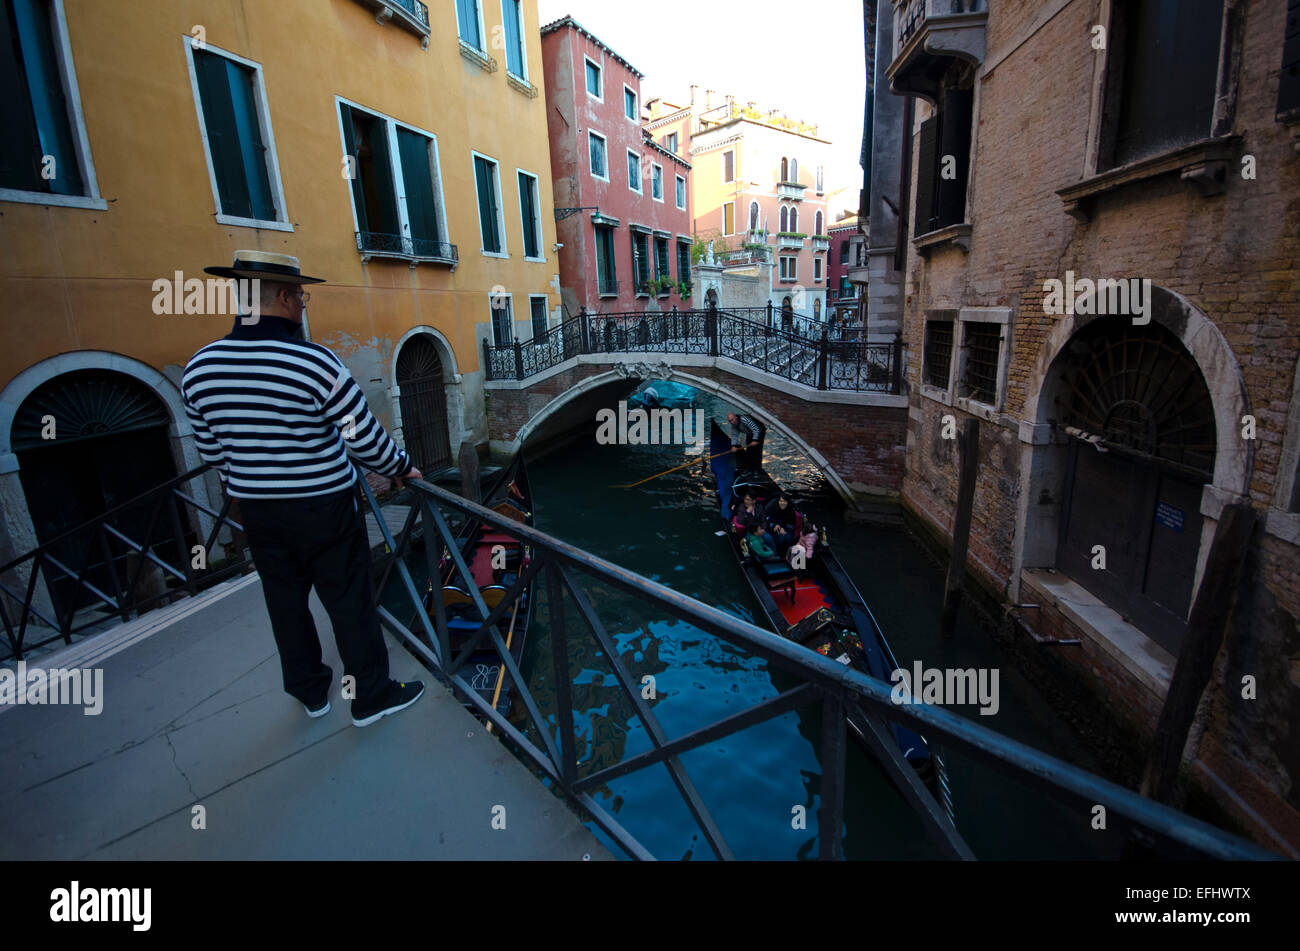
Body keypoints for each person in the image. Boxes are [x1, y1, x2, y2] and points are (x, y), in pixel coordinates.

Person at [181, 250, 425, 728]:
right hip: (324, 508)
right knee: (348, 600)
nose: (304, 305)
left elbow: (212, 451)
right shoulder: (314, 362)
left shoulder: (200, 368)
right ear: (287, 298)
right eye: (302, 296)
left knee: (284, 602)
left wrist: (248, 483)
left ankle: (311, 693)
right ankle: (370, 697)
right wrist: (403, 469)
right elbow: (364, 440)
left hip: (257, 512)